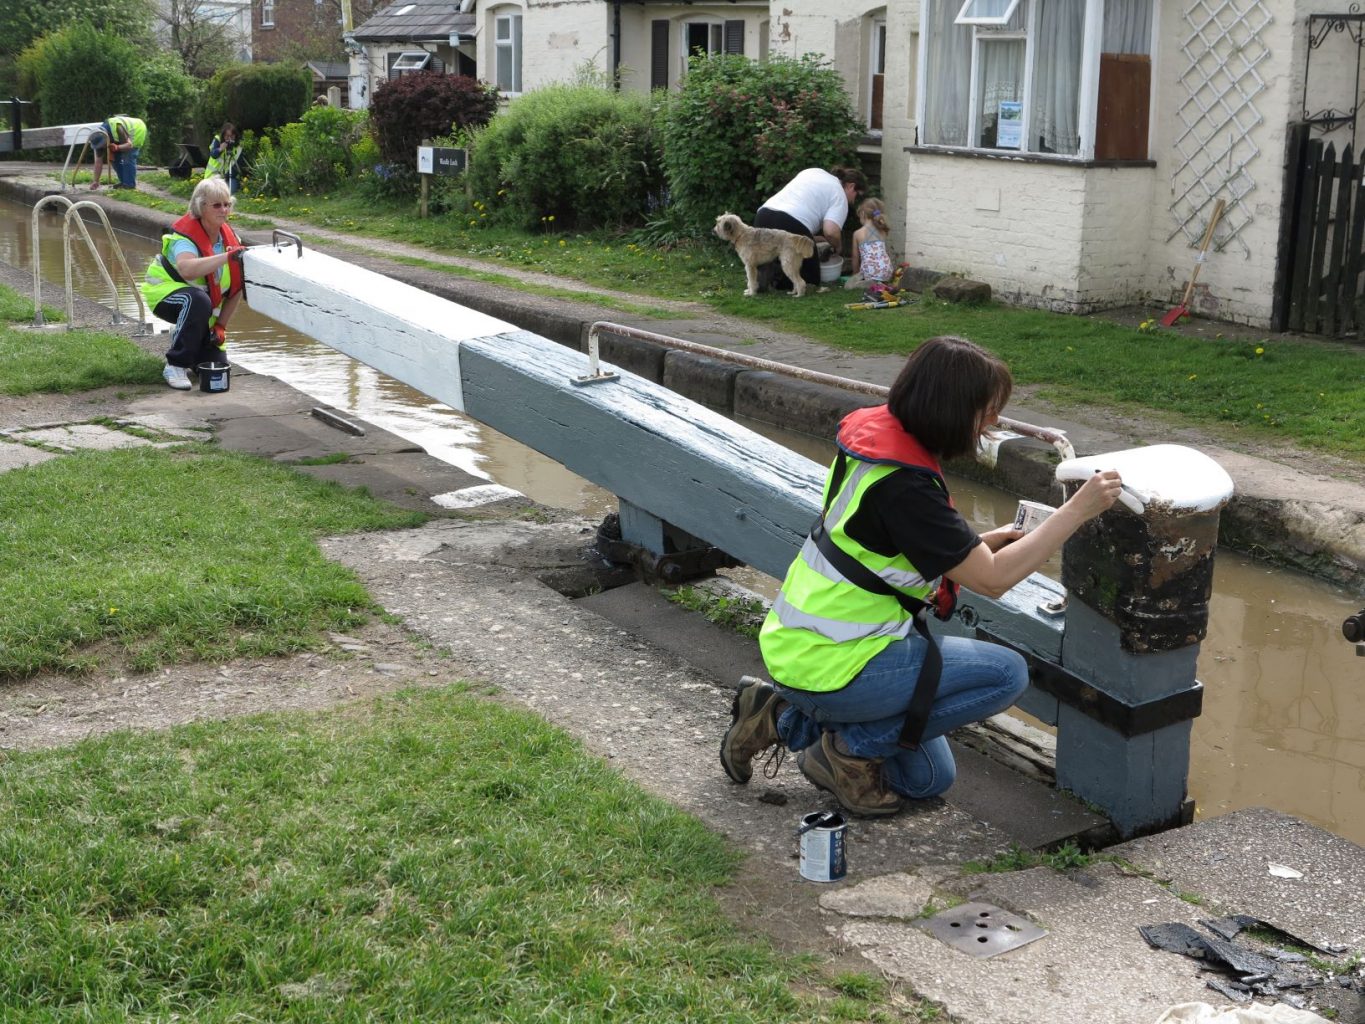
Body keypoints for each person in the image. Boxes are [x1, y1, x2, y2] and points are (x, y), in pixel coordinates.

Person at [720, 336, 1123, 816]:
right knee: (1006, 674)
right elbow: (993, 581)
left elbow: (880, 544)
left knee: (928, 778)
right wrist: (1079, 509)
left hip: (802, 642)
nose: (992, 422)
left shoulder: (876, 440)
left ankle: (778, 717)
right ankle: (844, 749)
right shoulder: (908, 485)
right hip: (837, 663)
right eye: (986, 410)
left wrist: (976, 544)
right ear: (952, 409)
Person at [139, 176, 246, 391]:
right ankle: (175, 364)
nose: (224, 210)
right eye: (217, 205)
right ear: (200, 207)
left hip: (201, 306)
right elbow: (187, 268)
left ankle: (188, 335)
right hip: (164, 294)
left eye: (227, 205)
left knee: (216, 364)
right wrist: (226, 257)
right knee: (197, 301)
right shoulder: (185, 239)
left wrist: (220, 326)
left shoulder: (230, 239)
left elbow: (236, 288)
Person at [754, 165, 866, 290]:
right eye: (857, 195)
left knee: (774, 253)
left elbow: (799, 204)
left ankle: (765, 274)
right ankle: (781, 280)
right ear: (851, 186)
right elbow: (831, 232)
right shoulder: (840, 194)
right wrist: (837, 247)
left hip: (763, 216)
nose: (853, 201)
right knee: (811, 277)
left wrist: (811, 237)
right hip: (789, 223)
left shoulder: (813, 171)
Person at [845, 197, 894, 291]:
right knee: (878, 272)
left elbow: (855, 258)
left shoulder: (858, 233)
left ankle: (869, 283)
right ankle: (881, 282)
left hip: (870, 272)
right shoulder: (883, 231)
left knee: (848, 286)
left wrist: (855, 275)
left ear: (862, 214)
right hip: (887, 271)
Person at [89, 115, 147, 191]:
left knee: (128, 156)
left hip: (137, 130)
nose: (102, 147)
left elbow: (129, 145)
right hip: (122, 138)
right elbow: (98, 161)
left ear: (106, 137)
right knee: (113, 159)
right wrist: (95, 181)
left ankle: (129, 185)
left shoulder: (117, 128)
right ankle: (124, 182)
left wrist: (117, 147)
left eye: (103, 145)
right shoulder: (98, 136)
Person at [204, 122, 244, 195]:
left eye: (232, 136)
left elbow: (238, 166)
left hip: (228, 177)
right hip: (213, 176)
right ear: (223, 135)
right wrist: (220, 149)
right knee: (214, 192)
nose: (229, 138)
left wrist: (227, 176)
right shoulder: (217, 140)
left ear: (235, 135)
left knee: (230, 190)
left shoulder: (238, 147)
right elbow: (213, 154)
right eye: (227, 136)